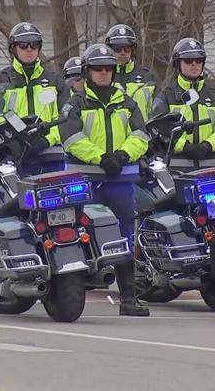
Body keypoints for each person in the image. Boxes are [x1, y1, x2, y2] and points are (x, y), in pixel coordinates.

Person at [59, 43, 150, 316]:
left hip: (120, 180)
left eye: (108, 68)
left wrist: (122, 155)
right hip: (85, 180)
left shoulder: (126, 102)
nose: (103, 72)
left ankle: (129, 299)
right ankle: (75, 294)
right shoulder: (74, 104)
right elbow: (71, 138)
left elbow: (141, 135)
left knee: (123, 236)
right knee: (78, 235)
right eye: (97, 68)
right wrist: (100, 158)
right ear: (86, 72)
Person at [0, 21, 68, 174]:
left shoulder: (55, 81)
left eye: (34, 45)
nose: (29, 49)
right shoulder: (0, 81)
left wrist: (47, 140)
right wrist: (14, 139)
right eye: (23, 45)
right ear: (13, 48)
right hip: (12, 156)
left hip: (50, 154)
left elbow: (65, 118)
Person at [151, 37, 215, 168]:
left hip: (213, 168)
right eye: (188, 60)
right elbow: (160, 129)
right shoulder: (167, 94)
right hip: (177, 169)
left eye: (199, 60)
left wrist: (209, 145)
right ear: (177, 63)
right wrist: (184, 146)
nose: (194, 64)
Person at [105, 24, 158, 121]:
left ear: (133, 49)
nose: (123, 52)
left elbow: (158, 111)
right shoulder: (103, 76)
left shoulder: (148, 77)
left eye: (127, 48)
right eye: (117, 48)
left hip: (142, 133)